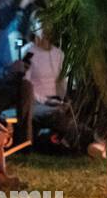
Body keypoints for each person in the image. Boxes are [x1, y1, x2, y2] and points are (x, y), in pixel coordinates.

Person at [22, 12, 76, 147]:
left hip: (56, 101)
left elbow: (62, 81)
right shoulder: (28, 52)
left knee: (74, 110)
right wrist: (48, 101)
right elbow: (25, 86)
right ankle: (91, 139)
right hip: (36, 103)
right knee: (57, 114)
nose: (47, 28)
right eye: (43, 24)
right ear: (34, 27)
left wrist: (65, 100)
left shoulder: (58, 53)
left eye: (50, 24)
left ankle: (77, 140)